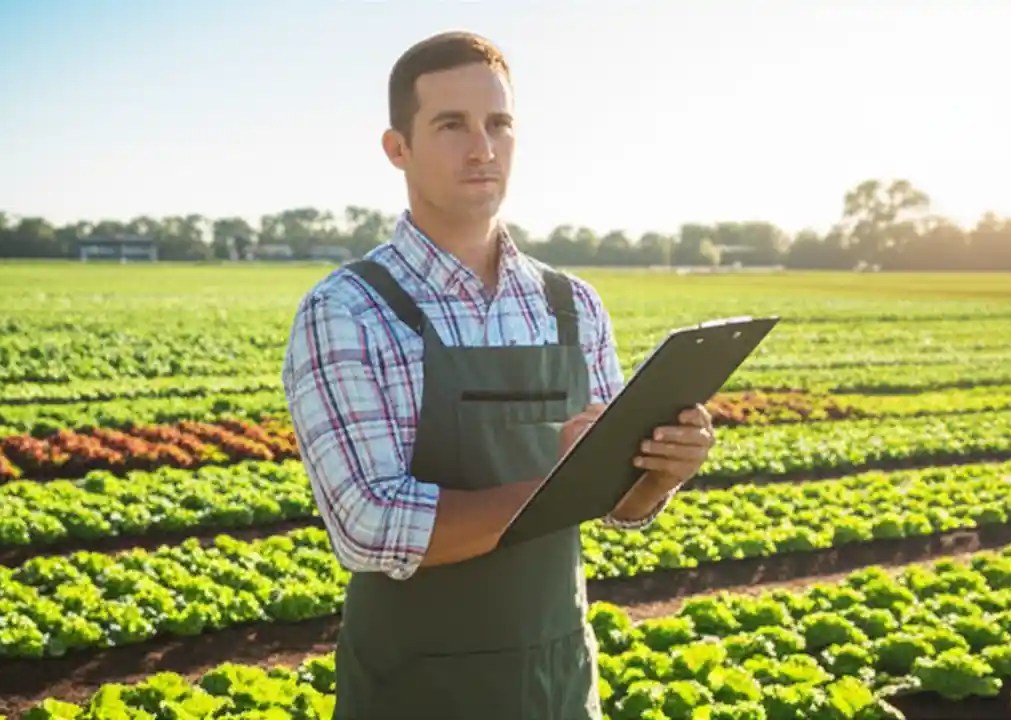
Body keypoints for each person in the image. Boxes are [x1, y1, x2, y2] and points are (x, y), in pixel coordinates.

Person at [281, 30, 716, 720]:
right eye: (451, 125)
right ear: (399, 149)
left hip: (558, 681)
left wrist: (656, 475)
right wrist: (559, 487)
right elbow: (370, 525)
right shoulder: (348, 310)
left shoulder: (572, 305)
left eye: (499, 124)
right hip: (415, 690)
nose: (482, 147)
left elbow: (618, 506)